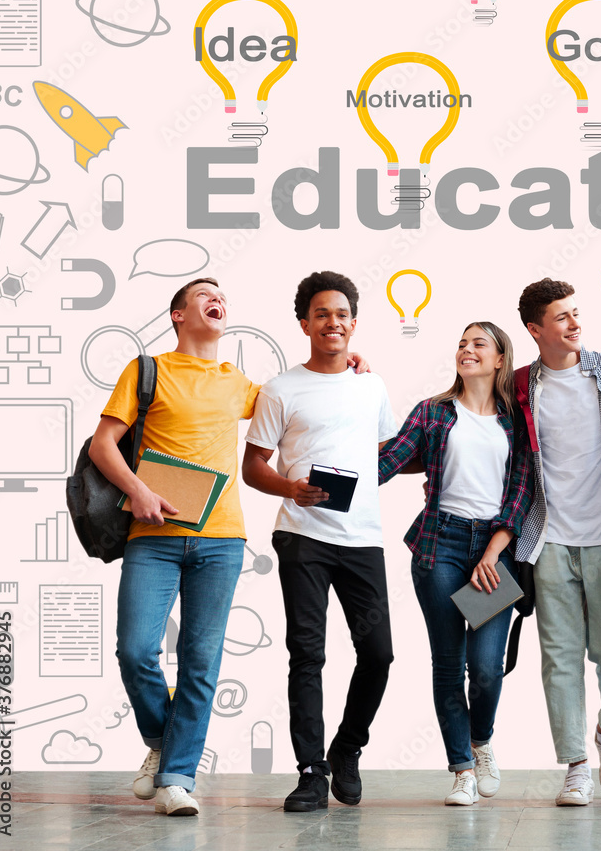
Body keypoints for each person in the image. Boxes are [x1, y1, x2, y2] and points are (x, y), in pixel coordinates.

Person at [90, 278, 258, 817]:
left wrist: (350, 362)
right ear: (179, 315)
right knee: (136, 650)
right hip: (153, 537)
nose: (219, 300)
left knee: (200, 661)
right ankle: (163, 743)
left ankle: (177, 779)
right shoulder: (148, 370)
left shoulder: (240, 383)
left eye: (223, 296)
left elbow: (303, 397)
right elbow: (102, 445)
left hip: (222, 538)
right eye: (205, 295)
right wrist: (138, 490)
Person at [242, 271, 397, 813]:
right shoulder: (280, 389)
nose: (333, 323)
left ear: (354, 324)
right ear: (304, 323)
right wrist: (291, 488)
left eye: (342, 314)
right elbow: (252, 466)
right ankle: (310, 771)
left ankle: (347, 749)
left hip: (363, 539)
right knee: (307, 655)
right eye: (322, 314)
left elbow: (386, 453)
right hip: (302, 537)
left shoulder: (371, 384)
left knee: (378, 654)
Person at [378, 321, 533, 806]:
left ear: (499, 359)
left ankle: (480, 740)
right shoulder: (433, 411)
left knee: (486, 667)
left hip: (494, 549)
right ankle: (462, 767)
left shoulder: (516, 420)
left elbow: (521, 492)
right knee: (449, 663)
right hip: (438, 544)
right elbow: (387, 461)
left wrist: (493, 551)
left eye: (478, 344)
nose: (466, 349)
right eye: (461, 343)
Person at [516, 278, 601, 807]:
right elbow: (466, 394)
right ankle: (575, 764)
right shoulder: (519, 384)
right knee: (559, 657)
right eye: (562, 317)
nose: (574, 323)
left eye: (576, 312)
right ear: (534, 329)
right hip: (547, 538)